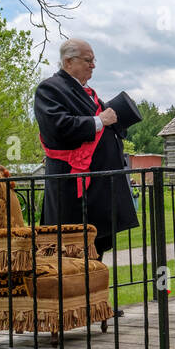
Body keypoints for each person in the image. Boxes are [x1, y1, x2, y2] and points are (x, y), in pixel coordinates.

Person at [33, 38, 138, 259]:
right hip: (72, 188)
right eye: (88, 60)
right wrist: (99, 120)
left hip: (96, 188)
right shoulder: (50, 88)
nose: (93, 65)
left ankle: (95, 292)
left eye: (94, 60)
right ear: (69, 62)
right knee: (71, 254)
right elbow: (59, 127)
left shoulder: (86, 91)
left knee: (95, 251)